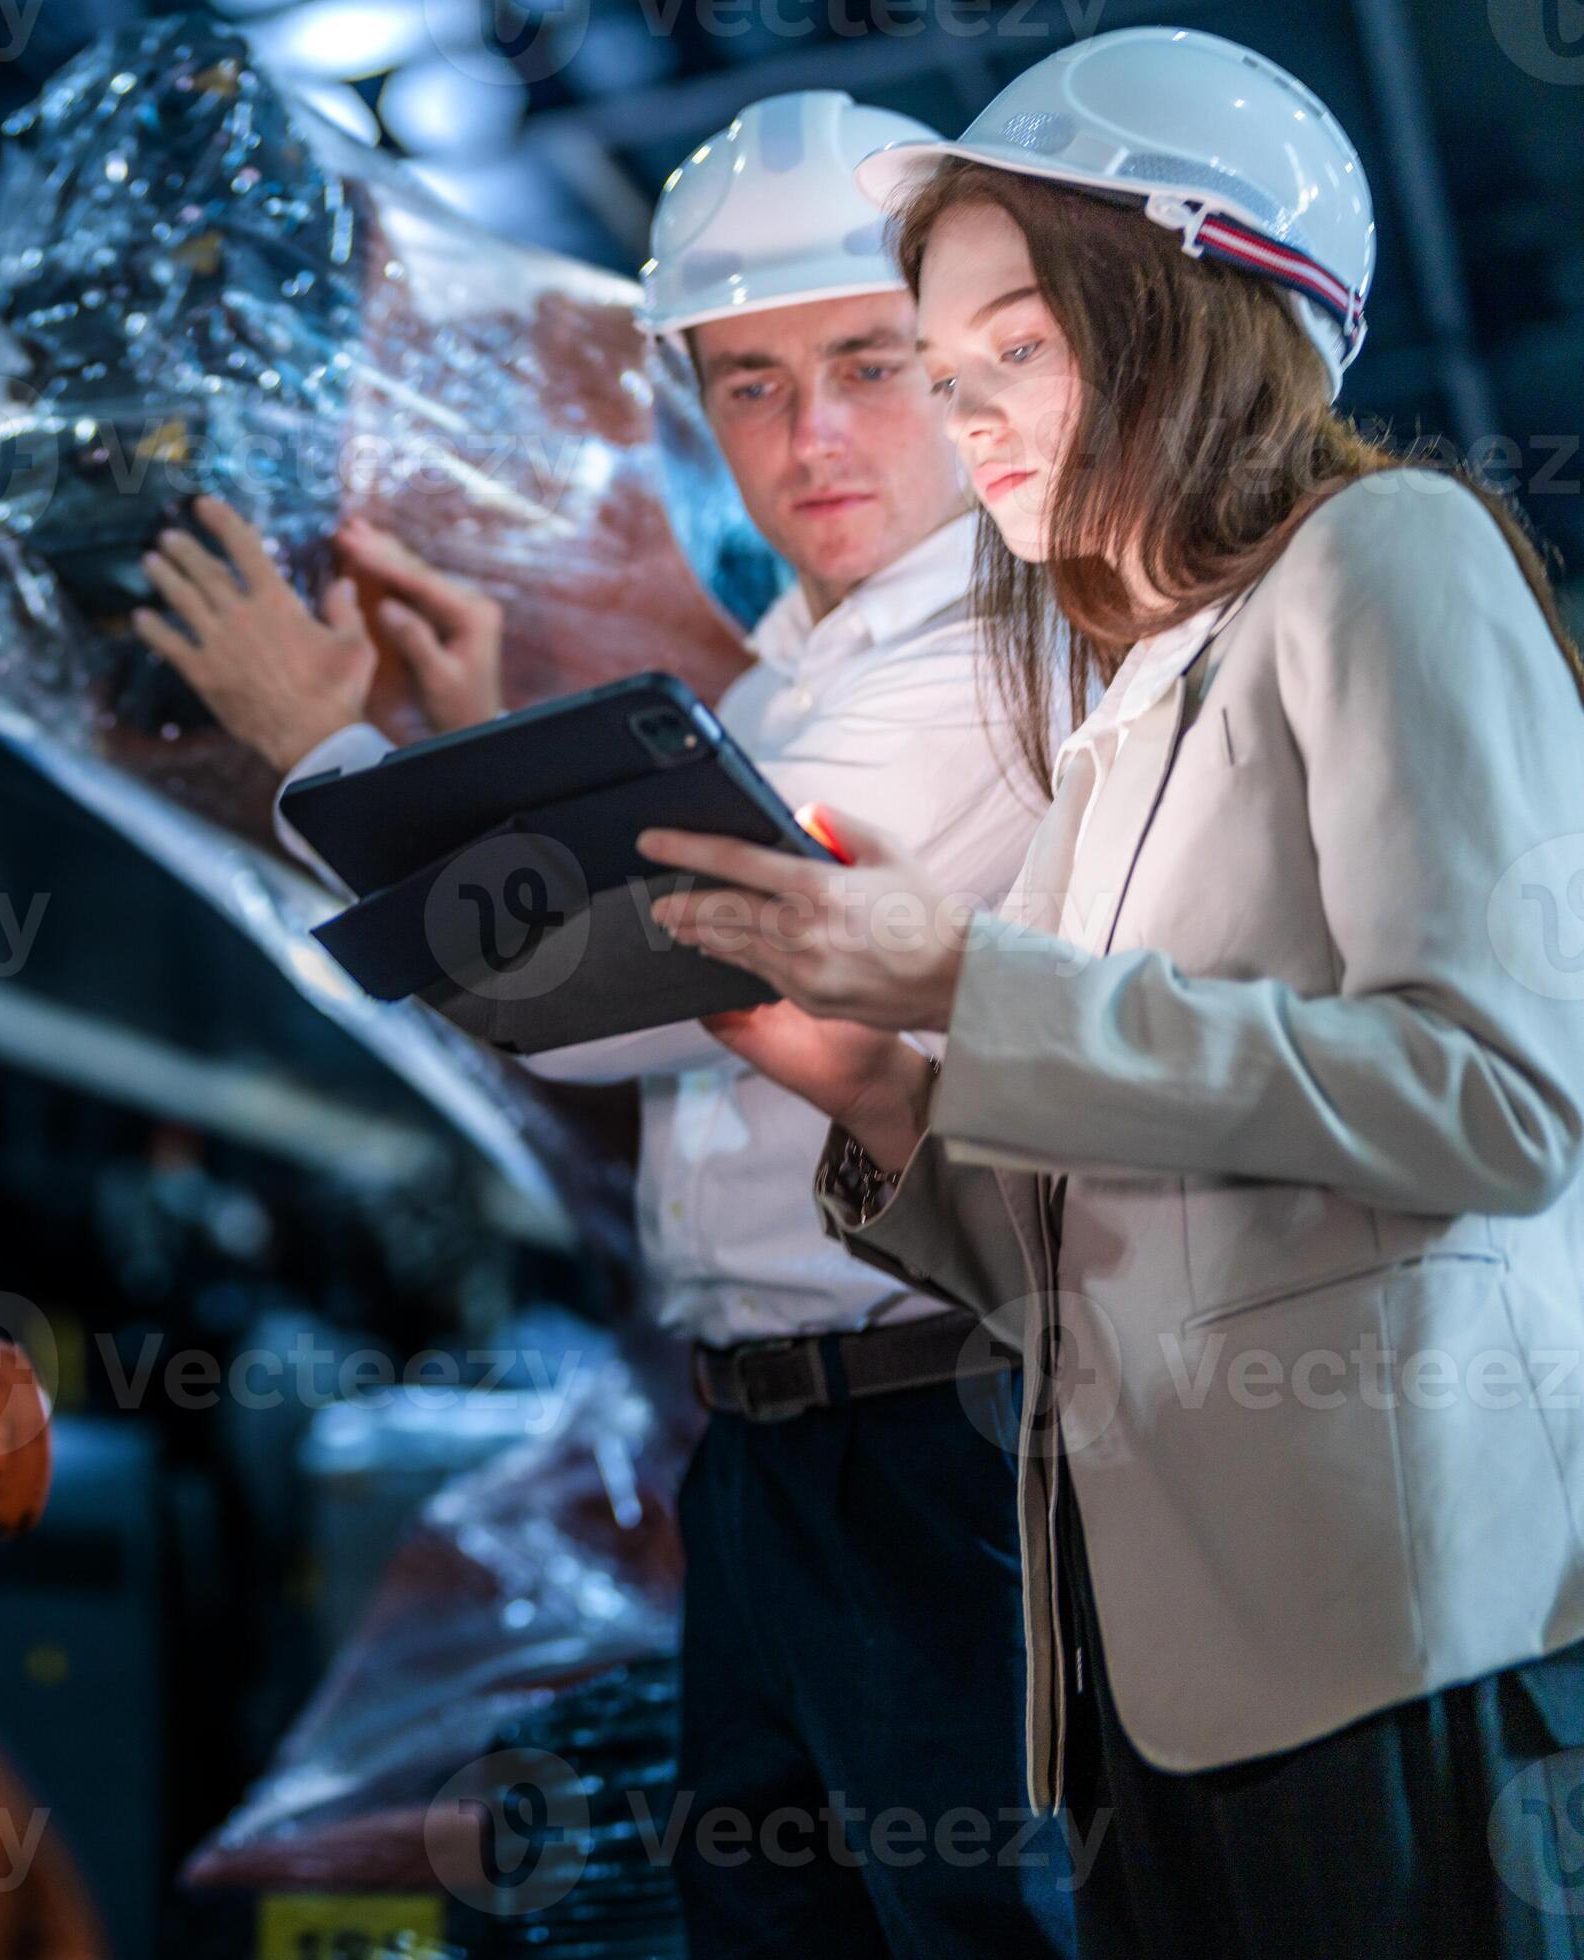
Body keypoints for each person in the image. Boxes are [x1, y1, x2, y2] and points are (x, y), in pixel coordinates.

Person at [637, 28, 1584, 1956]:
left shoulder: (1383, 559)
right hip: (1148, 1686)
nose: (968, 419)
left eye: (1018, 349)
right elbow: (1076, 1265)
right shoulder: (1130, 727)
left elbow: (1498, 1101)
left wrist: (970, 979)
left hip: (1397, 1651)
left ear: (1187, 317)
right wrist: (870, 1082)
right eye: (953, 366)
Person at [135, 94, 1073, 1959]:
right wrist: (470, 748)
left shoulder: (986, 658)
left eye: (865, 365)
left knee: (977, 1928)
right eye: (744, 382)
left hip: (932, 1430)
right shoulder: (805, 669)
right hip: (780, 1441)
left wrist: (328, 755)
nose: (806, 438)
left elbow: (613, 1006)